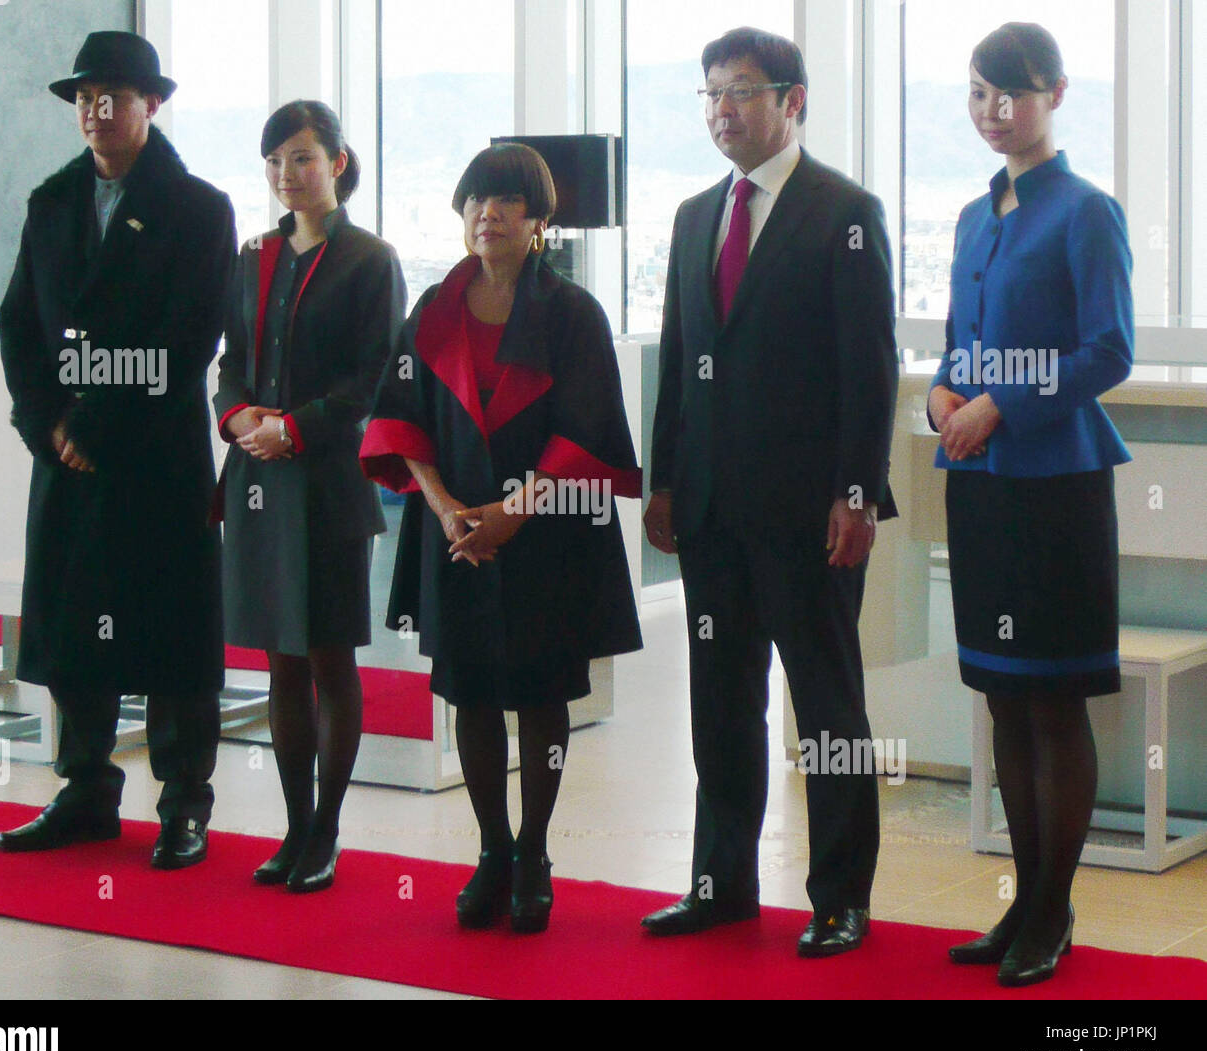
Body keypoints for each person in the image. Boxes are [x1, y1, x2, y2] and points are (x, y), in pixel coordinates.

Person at [641, 27, 898, 955]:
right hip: (710, 510)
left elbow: (872, 374)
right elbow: (677, 359)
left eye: (741, 92)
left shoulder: (845, 211)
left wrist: (858, 494)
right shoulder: (691, 216)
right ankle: (721, 884)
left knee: (828, 708)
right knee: (720, 702)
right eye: (709, 94)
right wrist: (661, 481)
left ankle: (841, 897)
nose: (722, 111)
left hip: (811, 514)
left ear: (793, 102)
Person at [359, 144, 642, 932]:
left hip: (548, 536)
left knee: (542, 699)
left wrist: (517, 510)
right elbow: (399, 422)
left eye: (508, 202)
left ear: (540, 222)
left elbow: (589, 432)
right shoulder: (434, 309)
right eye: (476, 200)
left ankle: (535, 854)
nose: (488, 214)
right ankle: (491, 851)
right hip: (453, 535)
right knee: (470, 693)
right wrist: (448, 508)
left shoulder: (574, 313)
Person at [0, 31, 235, 867]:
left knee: (172, 636)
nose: (97, 111)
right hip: (68, 457)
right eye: (86, 98)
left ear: (152, 105)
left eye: (115, 97)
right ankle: (87, 791)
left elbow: (190, 336)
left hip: (154, 454)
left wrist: (96, 422)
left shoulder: (198, 208)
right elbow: (19, 323)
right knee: (74, 629)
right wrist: (49, 423)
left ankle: (183, 804)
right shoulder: (50, 202)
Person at [929, 23, 1132, 987]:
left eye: (1009, 94)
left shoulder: (1087, 211)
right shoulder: (975, 216)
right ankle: (1022, 902)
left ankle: (1054, 910)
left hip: (1055, 486)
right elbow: (959, 345)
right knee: (1002, 695)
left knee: (1054, 702)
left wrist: (1002, 401)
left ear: (1054, 94)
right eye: (977, 94)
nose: (993, 112)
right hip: (978, 486)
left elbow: (1109, 352)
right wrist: (941, 394)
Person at [214, 101, 406, 893]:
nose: (287, 176)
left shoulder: (370, 258)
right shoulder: (254, 255)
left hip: (326, 480)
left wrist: (293, 429)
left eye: (302, 158)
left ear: (338, 162)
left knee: (329, 658)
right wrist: (239, 420)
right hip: (256, 479)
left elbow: (370, 382)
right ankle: (293, 830)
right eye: (275, 162)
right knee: (278, 663)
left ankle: (327, 833)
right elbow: (230, 364)